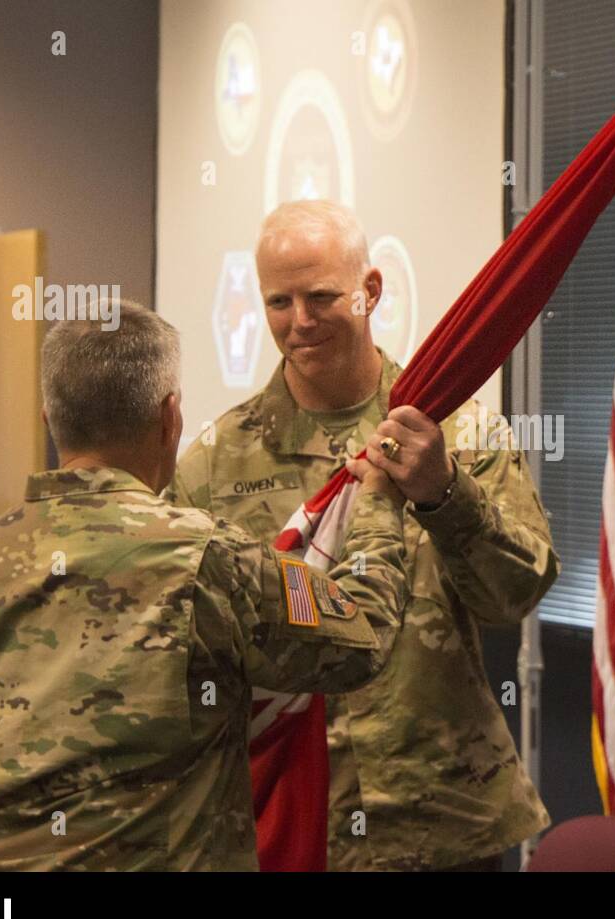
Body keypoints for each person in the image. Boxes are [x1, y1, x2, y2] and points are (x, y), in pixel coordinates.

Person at [0, 303, 408, 870]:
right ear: (171, 418)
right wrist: (380, 505)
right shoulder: (210, 561)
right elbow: (362, 637)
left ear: (49, 420)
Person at [170, 200, 558, 871]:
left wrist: (444, 493)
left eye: (320, 296)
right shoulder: (215, 460)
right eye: (278, 302)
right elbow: (185, 646)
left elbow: (514, 597)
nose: (300, 321)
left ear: (370, 290)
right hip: (286, 822)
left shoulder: (457, 428)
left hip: (440, 817)